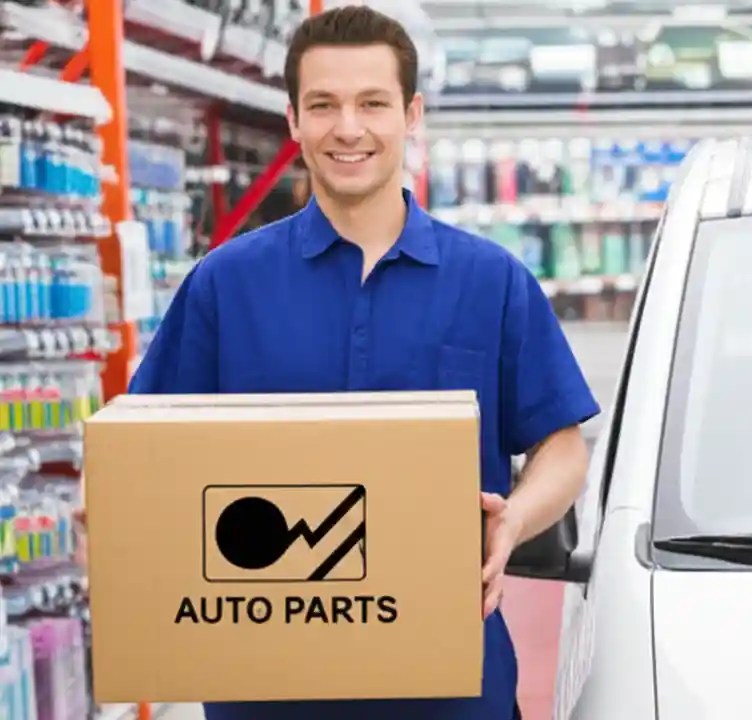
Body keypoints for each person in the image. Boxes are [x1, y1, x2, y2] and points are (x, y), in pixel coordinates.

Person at [120, 6, 600, 719]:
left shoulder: (490, 280)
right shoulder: (226, 283)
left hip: (451, 687)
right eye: (324, 105)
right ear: (294, 121)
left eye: (372, 103)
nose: (348, 128)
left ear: (411, 114)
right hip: (268, 688)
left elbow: (562, 445)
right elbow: (142, 453)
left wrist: (514, 519)